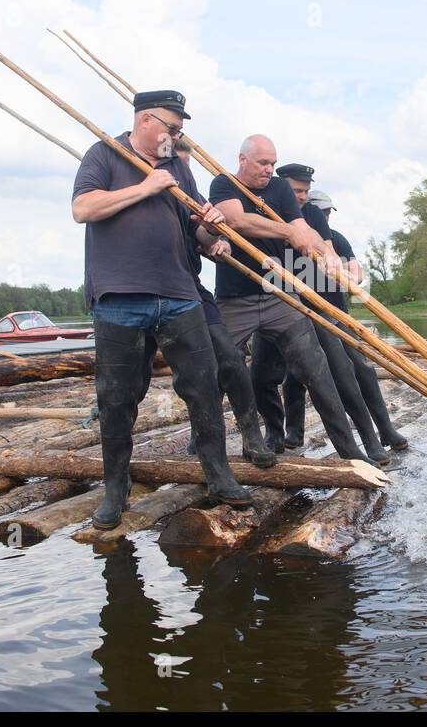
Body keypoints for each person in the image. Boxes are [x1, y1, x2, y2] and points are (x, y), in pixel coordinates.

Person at [72, 89, 253, 530]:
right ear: (146, 120)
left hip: (178, 294)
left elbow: (200, 237)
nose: (176, 136)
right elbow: (82, 209)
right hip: (119, 297)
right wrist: (146, 186)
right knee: (117, 397)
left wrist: (212, 228)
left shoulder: (177, 167)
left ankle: (218, 474)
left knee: (204, 385)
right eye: (172, 128)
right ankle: (116, 489)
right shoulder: (105, 154)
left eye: (180, 130)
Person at [208, 137, 372, 464]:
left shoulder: (280, 189)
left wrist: (328, 255)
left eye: (272, 163)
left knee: (316, 368)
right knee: (217, 372)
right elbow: (237, 221)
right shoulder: (223, 183)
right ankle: (204, 446)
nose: (269, 169)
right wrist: (286, 231)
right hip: (235, 297)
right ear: (243, 159)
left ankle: (351, 452)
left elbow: (301, 228)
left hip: (279, 293)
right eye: (262, 163)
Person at [269, 186, 408, 453]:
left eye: (326, 213)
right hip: (297, 315)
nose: (324, 218)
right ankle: (293, 432)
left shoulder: (336, 240)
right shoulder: (288, 239)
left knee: (359, 368)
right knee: (294, 374)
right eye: (319, 213)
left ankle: (385, 430)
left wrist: (340, 272)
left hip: (334, 314)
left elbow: (357, 274)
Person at [173, 139, 276, 470]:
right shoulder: (141, 182)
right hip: (138, 290)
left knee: (230, 359)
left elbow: (204, 237)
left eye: (186, 166)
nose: (182, 171)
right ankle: (199, 438)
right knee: (131, 382)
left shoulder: (187, 192)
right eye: (177, 164)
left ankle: (251, 438)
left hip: (187, 287)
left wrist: (216, 237)